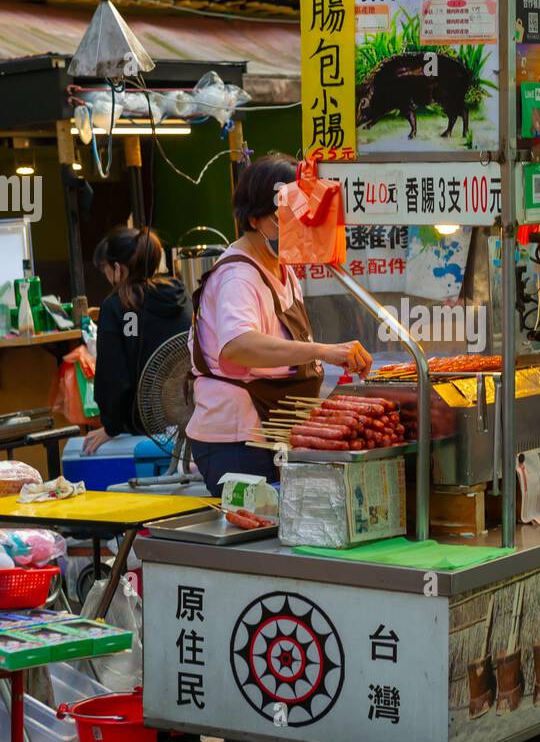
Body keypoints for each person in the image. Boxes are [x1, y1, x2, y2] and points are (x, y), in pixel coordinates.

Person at [186, 154, 372, 495]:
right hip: (238, 442)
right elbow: (239, 345)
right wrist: (326, 351)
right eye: (283, 218)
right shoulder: (238, 276)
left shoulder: (282, 269)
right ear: (255, 218)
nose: (295, 227)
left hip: (277, 432)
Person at [84, 226, 192, 454]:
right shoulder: (180, 294)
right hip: (190, 415)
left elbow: (114, 376)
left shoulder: (116, 307)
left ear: (117, 268)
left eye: (105, 268)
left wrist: (111, 427)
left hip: (140, 424)